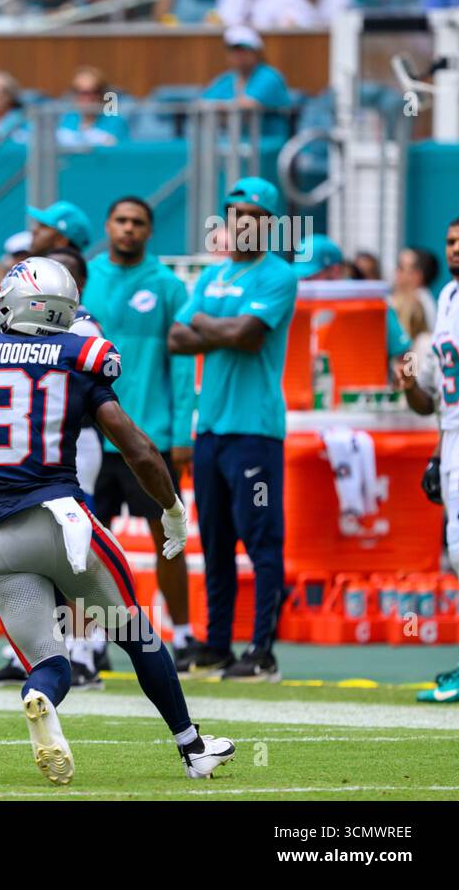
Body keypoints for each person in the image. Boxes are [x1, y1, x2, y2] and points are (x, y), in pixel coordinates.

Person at [0, 258, 236, 785]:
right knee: (136, 634)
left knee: (50, 661)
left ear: (9, 302)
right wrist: (173, 511)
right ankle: (192, 747)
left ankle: (40, 696)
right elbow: (137, 449)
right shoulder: (80, 357)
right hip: (65, 525)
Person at [168, 177, 298, 681]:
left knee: (261, 538)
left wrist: (203, 321)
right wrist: (212, 326)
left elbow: (247, 337)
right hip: (213, 431)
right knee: (216, 539)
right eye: (235, 216)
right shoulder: (213, 275)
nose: (241, 224)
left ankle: (261, 649)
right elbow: (176, 340)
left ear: (269, 224)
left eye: (252, 216)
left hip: (255, 432)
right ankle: (218, 643)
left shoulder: (279, 276)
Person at [85, 196, 199, 670]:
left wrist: (180, 432)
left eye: (137, 223)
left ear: (149, 232)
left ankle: (186, 634)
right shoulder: (83, 280)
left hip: (149, 437)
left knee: (168, 539)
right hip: (92, 437)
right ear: (108, 224)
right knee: (87, 546)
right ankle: (91, 643)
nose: (128, 229)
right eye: (121, 220)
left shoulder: (169, 286)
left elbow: (183, 363)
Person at [399, 216, 459, 703]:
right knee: (456, 551)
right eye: (451, 241)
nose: (457, 247)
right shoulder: (446, 298)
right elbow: (437, 397)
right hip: (453, 438)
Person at [201, 26, 291, 140]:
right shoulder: (226, 79)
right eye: (234, 50)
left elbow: (248, 105)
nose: (239, 55)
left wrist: (221, 109)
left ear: (256, 52)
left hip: (269, 147)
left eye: (244, 50)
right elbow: (203, 104)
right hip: (236, 146)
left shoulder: (269, 76)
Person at [56, 66, 128, 148]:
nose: (88, 98)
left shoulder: (116, 123)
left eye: (94, 92)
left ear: (102, 94)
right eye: (81, 92)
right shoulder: (64, 120)